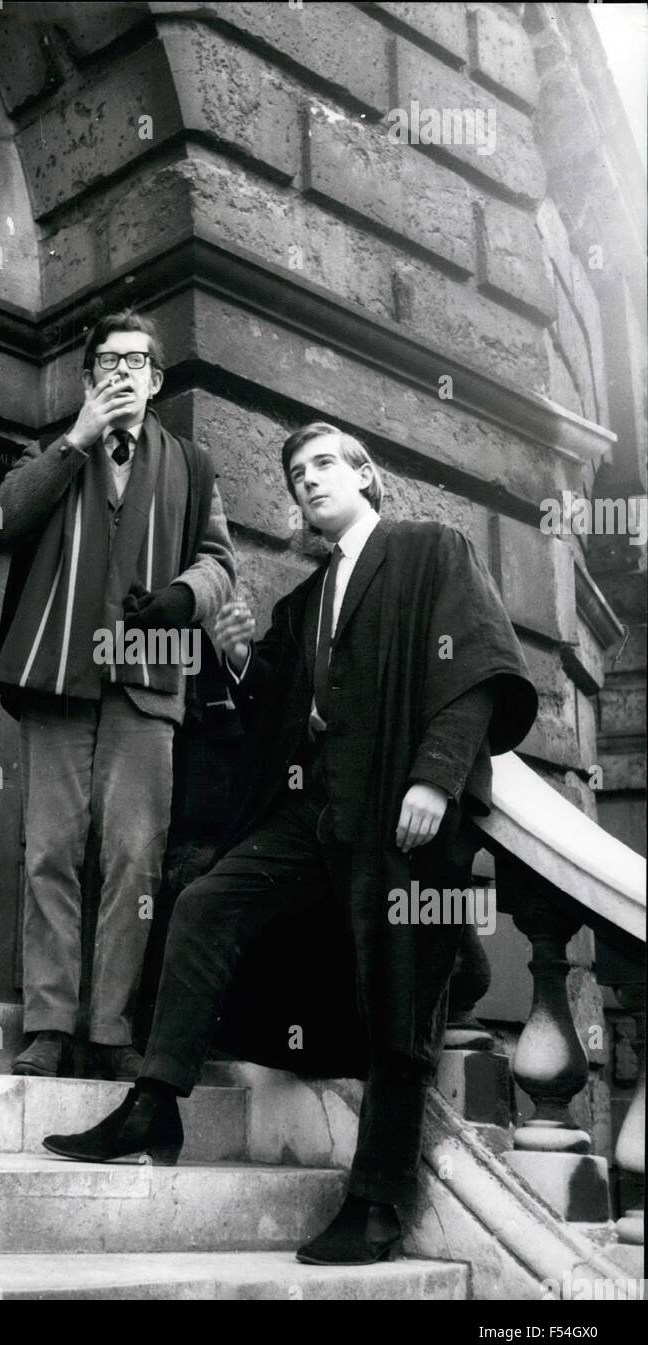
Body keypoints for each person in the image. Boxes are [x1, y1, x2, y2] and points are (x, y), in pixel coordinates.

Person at [42, 421, 537, 1264]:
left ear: (366, 476)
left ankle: (376, 1205)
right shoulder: (300, 606)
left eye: (322, 466)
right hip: (313, 817)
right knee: (205, 904)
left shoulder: (431, 552)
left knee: (396, 991)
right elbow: (269, 717)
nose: (307, 481)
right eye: (295, 473)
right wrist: (237, 662)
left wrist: (435, 776)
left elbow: (479, 673)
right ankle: (155, 1102)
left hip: (393, 807)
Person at [0, 312, 236, 1081]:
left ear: (158, 381)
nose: (121, 372)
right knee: (51, 854)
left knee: (135, 858)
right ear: (88, 377)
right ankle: (51, 1025)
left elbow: (221, 563)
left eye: (136, 362)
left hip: (148, 681)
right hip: (58, 675)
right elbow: (1, 517)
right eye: (106, 361)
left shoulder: (192, 465)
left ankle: (109, 1029)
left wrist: (185, 598)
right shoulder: (54, 455)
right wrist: (76, 440)